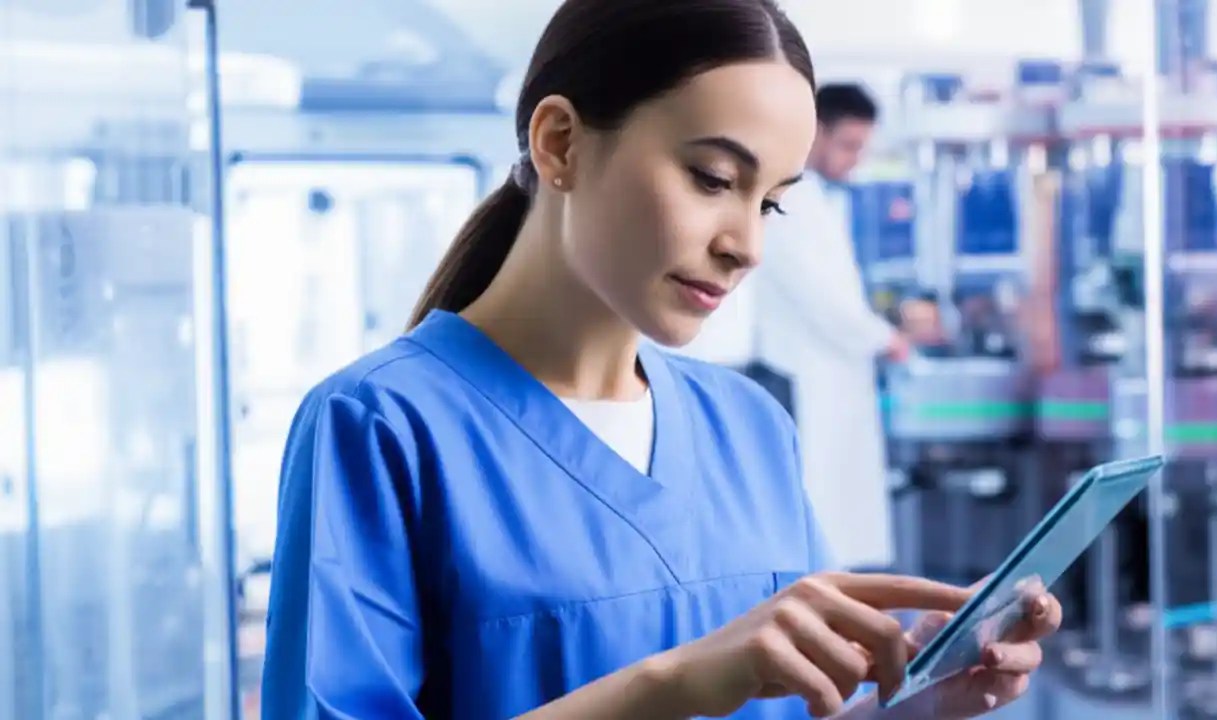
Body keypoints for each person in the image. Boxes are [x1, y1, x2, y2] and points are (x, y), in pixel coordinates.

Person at [260, 1, 1060, 718]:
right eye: (713, 179)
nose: (746, 245)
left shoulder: (749, 428)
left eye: (771, 202)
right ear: (560, 143)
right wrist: (670, 686)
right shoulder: (381, 426)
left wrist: (915, 707)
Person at [751, 84, 911, 572]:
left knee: (837, 530)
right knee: (816, 525)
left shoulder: (818, 199)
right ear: (815, 131)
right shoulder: (787, 200)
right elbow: (819, 298)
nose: (855, 159)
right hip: (801, 376)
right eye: (848, 145)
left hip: (833, 375)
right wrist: (884, 337)